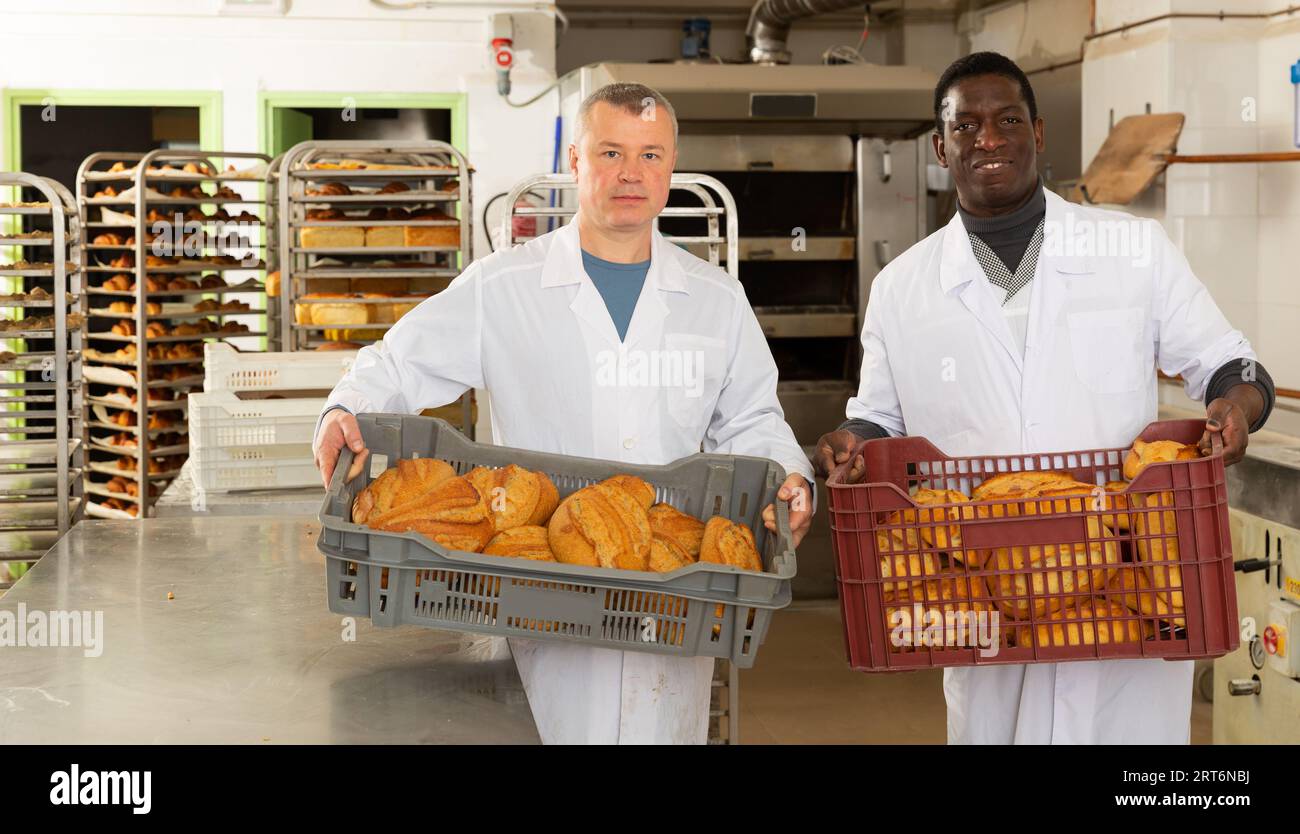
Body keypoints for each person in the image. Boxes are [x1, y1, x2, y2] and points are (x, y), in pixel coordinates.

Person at [314, 82, 814, 745]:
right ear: (575, 161)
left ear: (672, 168)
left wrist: (789, 478)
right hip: (540, 614)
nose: (631, 174)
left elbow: (753, 419)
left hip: (672, 611)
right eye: (610, 152)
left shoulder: (716, 300)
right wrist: (344, 409)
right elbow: (399, 361)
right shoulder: (506, 287)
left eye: (651, 155)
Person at [813, 52, 1275, 744]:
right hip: (988, 607)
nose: (989, 140)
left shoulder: (1133, 251)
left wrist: (1235, 408)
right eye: (965, 127)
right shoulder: (905, 287)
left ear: (1038, 132)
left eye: (1006, 121)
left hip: (1126, 595)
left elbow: (1229, 364)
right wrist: (850, 442)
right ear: (940, 148)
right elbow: (880, 418)